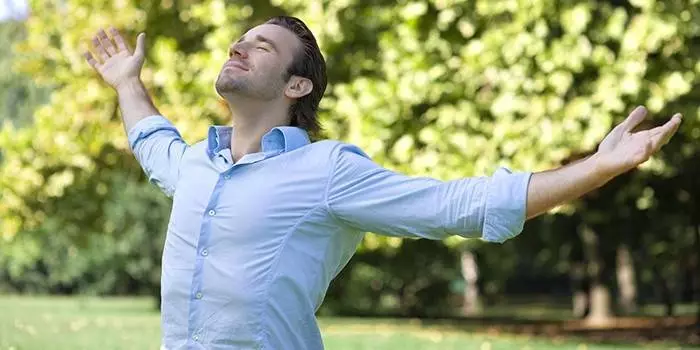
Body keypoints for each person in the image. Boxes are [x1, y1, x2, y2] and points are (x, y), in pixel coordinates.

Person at [84, 15, 682, 350]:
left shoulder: (327, 171)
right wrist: (126, 84)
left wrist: (598, 167)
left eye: (262, 46)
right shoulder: (195, 165)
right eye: (241, 40)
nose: (240, 46)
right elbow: (152, 141)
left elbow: (458, 206)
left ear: (297, 87)